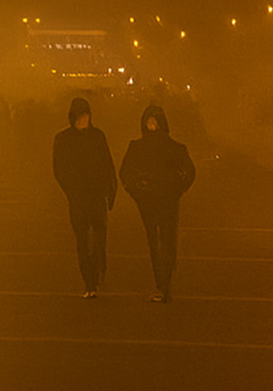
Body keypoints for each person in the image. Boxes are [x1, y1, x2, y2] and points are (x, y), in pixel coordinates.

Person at [119, 104, 196, 303]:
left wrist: (177, 190)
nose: (152, 125)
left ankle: (165, 283)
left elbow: (189, 172)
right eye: (149, 121)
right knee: (154, 243)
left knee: (167, 242)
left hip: (167, 201)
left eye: (155, 121)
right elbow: (125, 173)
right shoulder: (138, 147)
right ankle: (161, 283)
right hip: (148, 202)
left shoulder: (174, 148)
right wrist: (137, 192)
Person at [52, 98, 116, 298]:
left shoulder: (97, 136)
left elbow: (108, 164)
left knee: (98, 238)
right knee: (81, 239)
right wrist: (70, 190)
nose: (83, 120)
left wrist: (110, 191)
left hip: (96, 195)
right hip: (78, 197)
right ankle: (88, 280)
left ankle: (96, 270)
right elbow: (59, 169)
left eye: (86, 116)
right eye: (80, 117)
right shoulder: (63, 139)